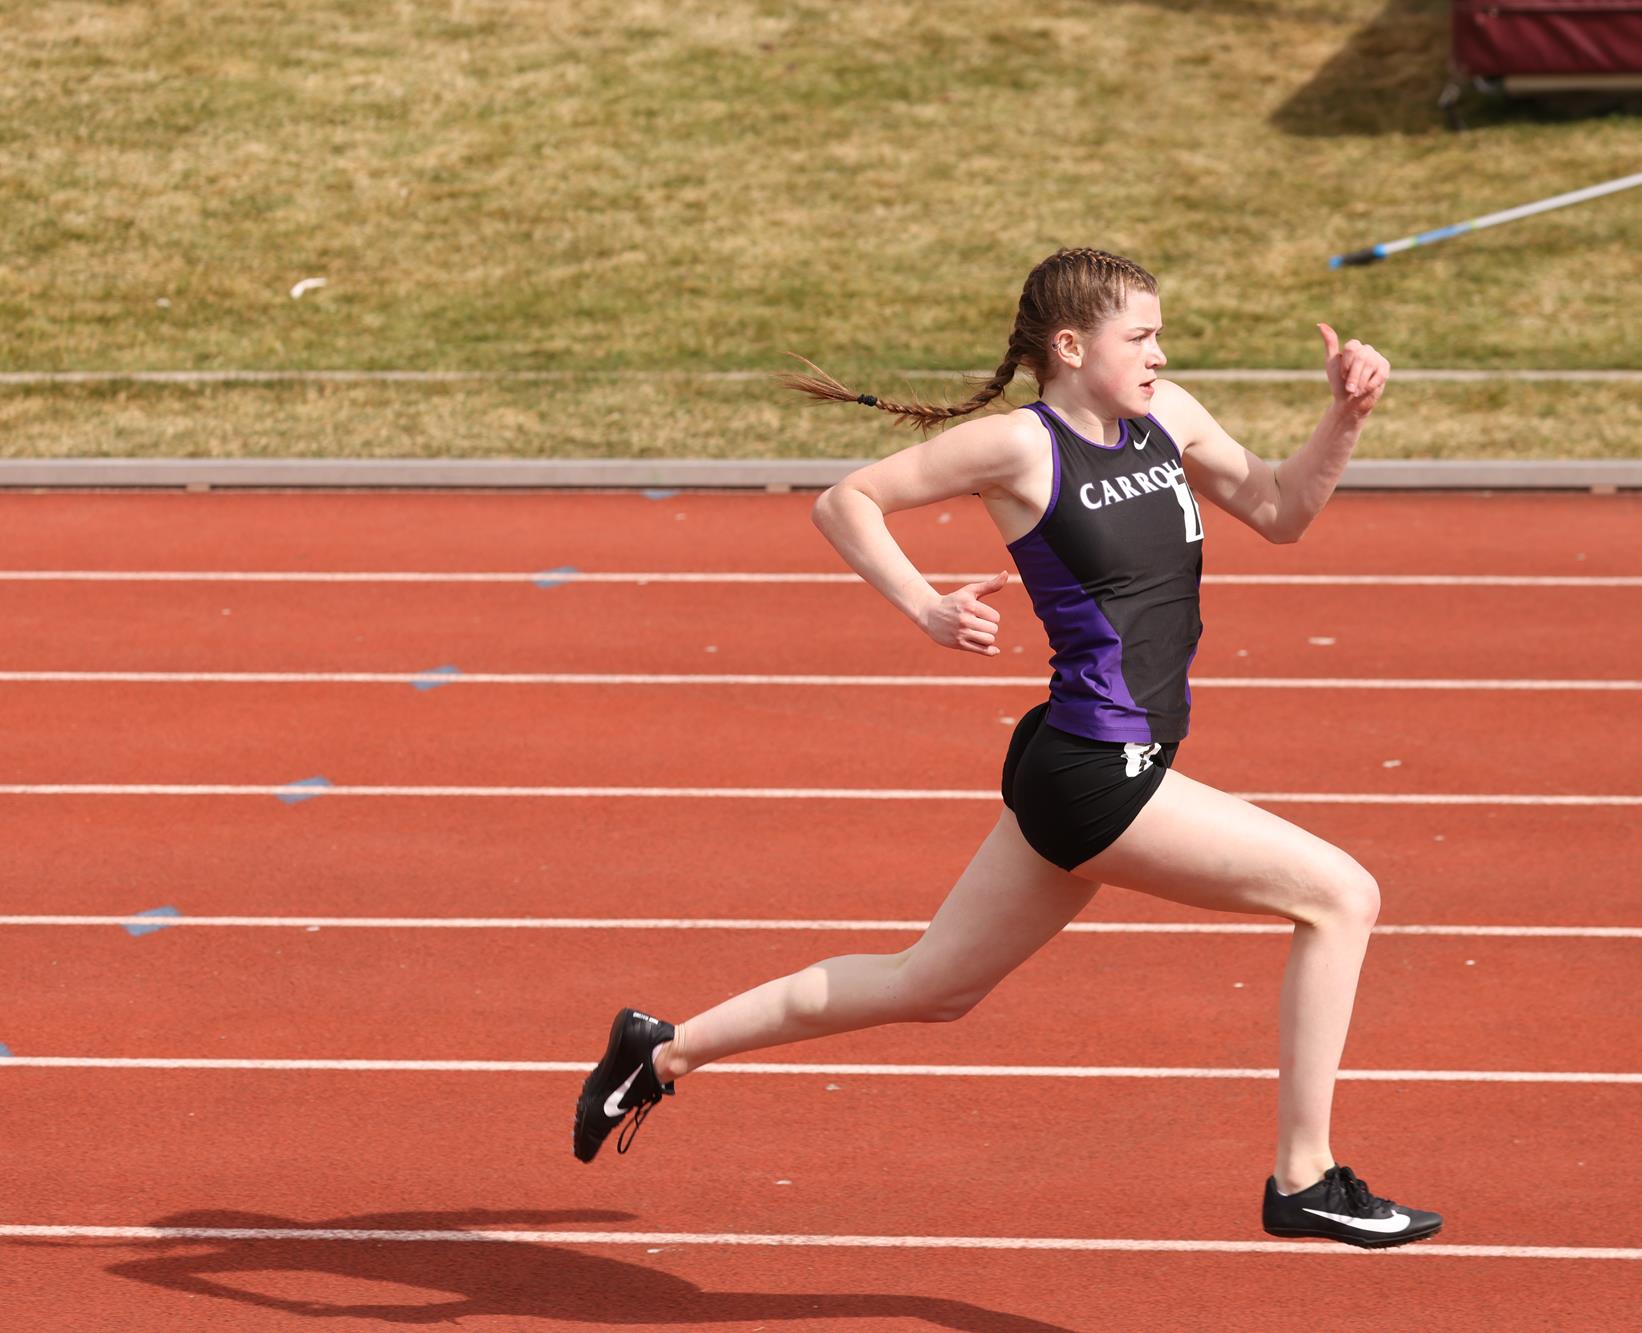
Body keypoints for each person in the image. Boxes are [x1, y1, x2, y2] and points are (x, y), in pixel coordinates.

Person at [571, 247, 1441, 1249]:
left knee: (931, 984)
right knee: (1340, 895)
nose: (1160, 354)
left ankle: (660, 1052)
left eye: (1160, 335)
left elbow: (1282, 510)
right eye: (1140, 337)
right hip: (1097, 771)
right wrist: (925, 606)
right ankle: (1304, 1175)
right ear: (1070, 346)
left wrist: (1345, 416)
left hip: (1078, 757)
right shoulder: (1018, 448)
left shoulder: (1170, 417)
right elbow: (845, 500)